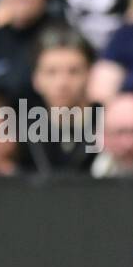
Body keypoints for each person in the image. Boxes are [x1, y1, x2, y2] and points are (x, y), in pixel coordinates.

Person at [24, 24, 98, 173]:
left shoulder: (109, 127)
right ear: (36, 79)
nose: (62, 83)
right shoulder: (21, 134)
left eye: (74, 71)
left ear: (90, 74)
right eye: (51, 72)